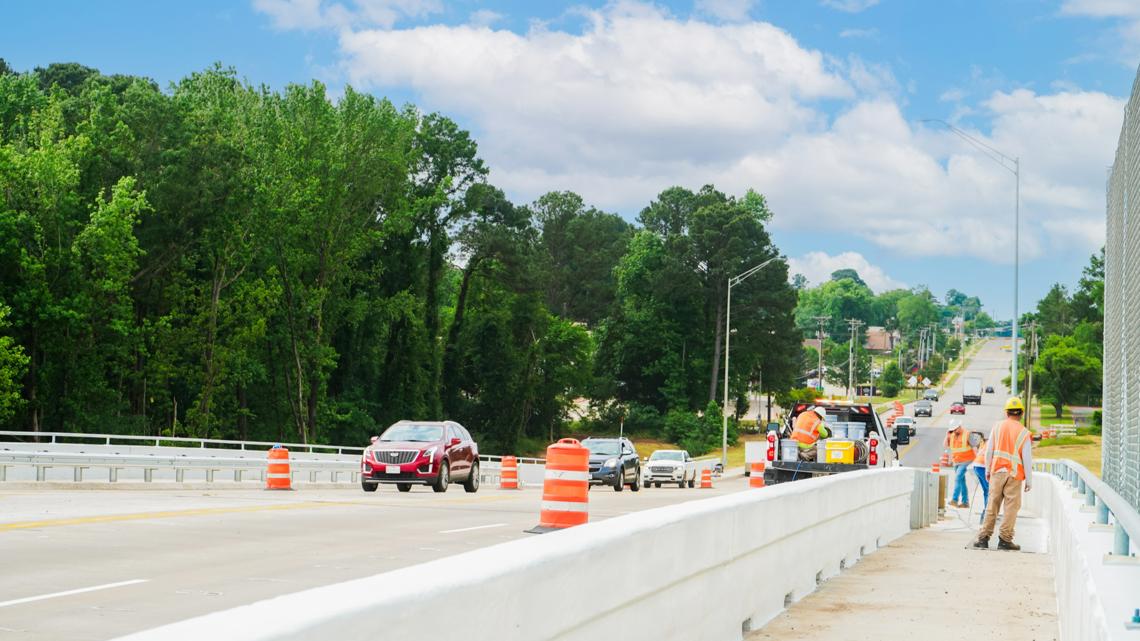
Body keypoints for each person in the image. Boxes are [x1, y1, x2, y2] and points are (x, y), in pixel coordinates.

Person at [974, 397, 1033, 551]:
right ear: (1021, 413)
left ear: (1006, 412)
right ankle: (1005, 540)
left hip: (997, 471)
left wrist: (987, 469)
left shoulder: (997, 427)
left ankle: (983, 538)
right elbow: (1027, 458)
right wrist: (1029, 480)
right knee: (1011, 508)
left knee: (992, 504)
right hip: (1015, 475)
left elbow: (989, 451)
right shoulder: (1025, 433)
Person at [944, 420, 973, 508]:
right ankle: (965, 502)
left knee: (957, 478)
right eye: (952, 430)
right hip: (957, 461)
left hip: (966, 460)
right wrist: (947, 434)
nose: (954, 431)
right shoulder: (952, 435)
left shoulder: (967, 434)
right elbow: (945, 445)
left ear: (959, 427)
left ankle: (955, 500)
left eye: (955, 429)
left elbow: (975, 446)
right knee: (961, 481)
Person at [972, 434, 990, 521]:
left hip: (977, 466)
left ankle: (986, 513)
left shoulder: (987, 443)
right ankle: (986, 514)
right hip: (982, 467)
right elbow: (988, 456)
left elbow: (979, 453)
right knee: (990, 491)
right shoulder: (993, 442)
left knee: (987, 491)